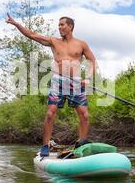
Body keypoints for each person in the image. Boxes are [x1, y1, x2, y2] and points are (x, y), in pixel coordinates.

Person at [6, 13, 97, 156]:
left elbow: (92, 61)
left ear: (70, 27)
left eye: (62, 24)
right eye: (59, 25)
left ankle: (82, 143)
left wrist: (89, 78)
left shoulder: (81, 44)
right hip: (58, 82)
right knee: (50, 113)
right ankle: (45, 146)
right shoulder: (54, 41)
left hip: (76, 83)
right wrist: (17, 24)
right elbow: (32, 35)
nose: (59, 27)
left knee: (84, 115)